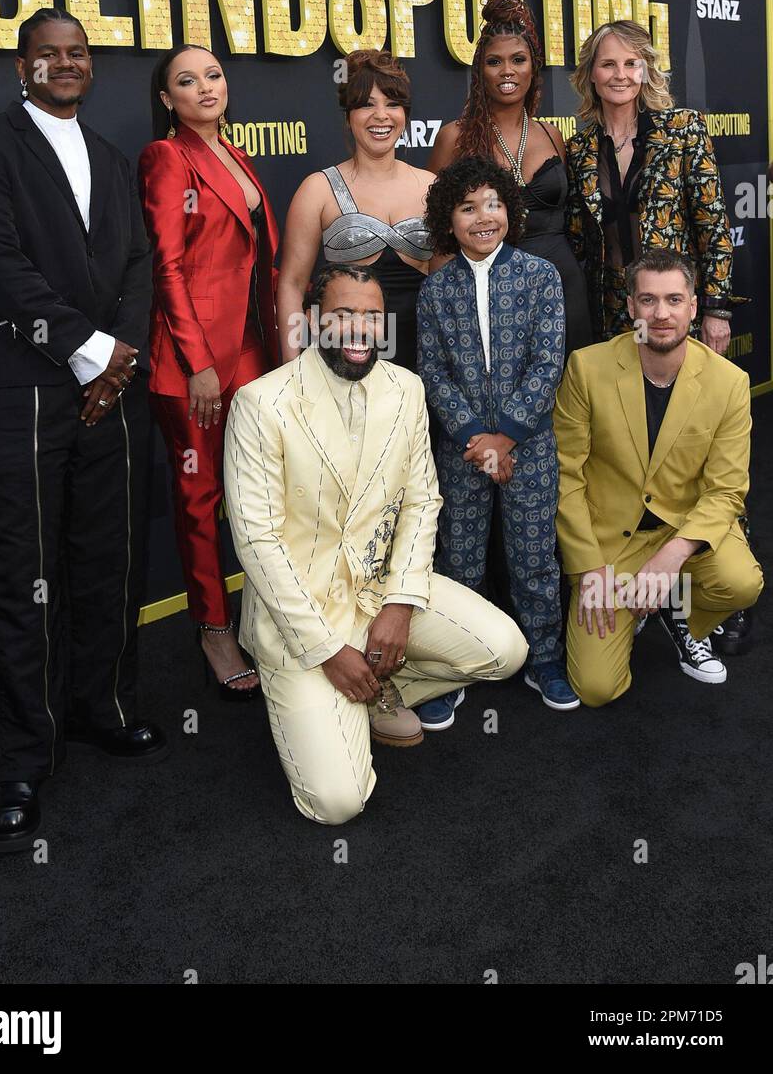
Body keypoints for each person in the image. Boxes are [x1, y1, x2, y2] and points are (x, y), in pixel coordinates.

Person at [0, 8, 164, 856]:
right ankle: (22, 759)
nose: (67, 64)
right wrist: (89, 354)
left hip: (113, 392)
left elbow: (141, 266)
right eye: (50, 55)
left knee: (108, 561)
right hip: (24, 389)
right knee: (24, 573)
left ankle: (102, 707)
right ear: (22, 66)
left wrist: (120, 362)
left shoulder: (112, 160)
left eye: (78, 54)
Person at [223, 265, 528, 824]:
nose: (359, 330)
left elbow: (421, 503)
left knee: (507, 652)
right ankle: (330, 694)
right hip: (304, 618)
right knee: (337, 805)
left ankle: (377, 691)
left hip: (381, 591)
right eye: (342, 315)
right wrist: (328, 652)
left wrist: (400, 603)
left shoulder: (405, 388)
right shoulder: (261, 402)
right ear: (313, 319)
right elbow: (256, 541)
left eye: (370, 315)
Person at [552, 248, 763, 706]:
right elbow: (566, 478)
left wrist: (673, 555)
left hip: (683, 531)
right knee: (595, 689)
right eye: (648, 300)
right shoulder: (587, 368)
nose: (661, 314)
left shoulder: (728, 383)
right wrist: (589, 569)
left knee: (742, 582)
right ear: (630, 307)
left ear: (693, 306)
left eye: (673, 300)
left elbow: (727, 489)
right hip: (613, 541)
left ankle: (681, 608)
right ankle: (645, 602)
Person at [139, 45, 279, 698]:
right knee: (200, 502)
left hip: (250, 354)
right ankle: (213, 628)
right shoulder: (167, 159)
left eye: (213, 75)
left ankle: (263, 617)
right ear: (166, 100)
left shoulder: (236, 153)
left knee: (258, 496)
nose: (204, 87)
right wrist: (197, 364)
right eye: (186, 81)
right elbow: (165, 267)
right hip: (190, 364)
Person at [417, 158, 578, 714]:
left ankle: (544, 660)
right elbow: (433, 374)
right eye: (467, 208)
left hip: (528, 448)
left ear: (511, 208)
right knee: (459, 561)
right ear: (448, 220)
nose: (482, 217)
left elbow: (547, 363)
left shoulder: (540, 277)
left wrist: (504, 438)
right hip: (461, 450)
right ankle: (454, 667)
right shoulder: (435, 291)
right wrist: (475, 440)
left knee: (534, 556)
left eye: (493, 204)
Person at [429, 0, 592, 360]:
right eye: (494, 61)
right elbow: (438, 237)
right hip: (486, 295)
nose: (507, 71)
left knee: (569, 399)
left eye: (518, 60)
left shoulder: (553, 136)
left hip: (565, 289)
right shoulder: (454, 139)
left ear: (533, 67)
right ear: (479, 72)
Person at [565, 19, 735, 352]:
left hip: (672, 307)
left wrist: (717, 310)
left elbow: (713, 227)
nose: (620, 75)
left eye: (632, 64)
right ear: (592, 73)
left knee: (677, 399)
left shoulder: (683, 130)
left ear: (645, 71)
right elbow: (576, 241)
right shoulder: (578, 148)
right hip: (610, 311)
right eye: (608, 64)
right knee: (622, 402)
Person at [277, 49, 433, 372]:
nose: (381, 116)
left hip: (424, 352)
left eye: (392, 104)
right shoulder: (318, 189)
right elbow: (292, 285)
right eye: (367, 105)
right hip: (347, 355)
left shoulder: (431, 186)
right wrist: (293, 369)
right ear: (348, 115)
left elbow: (449, 281)